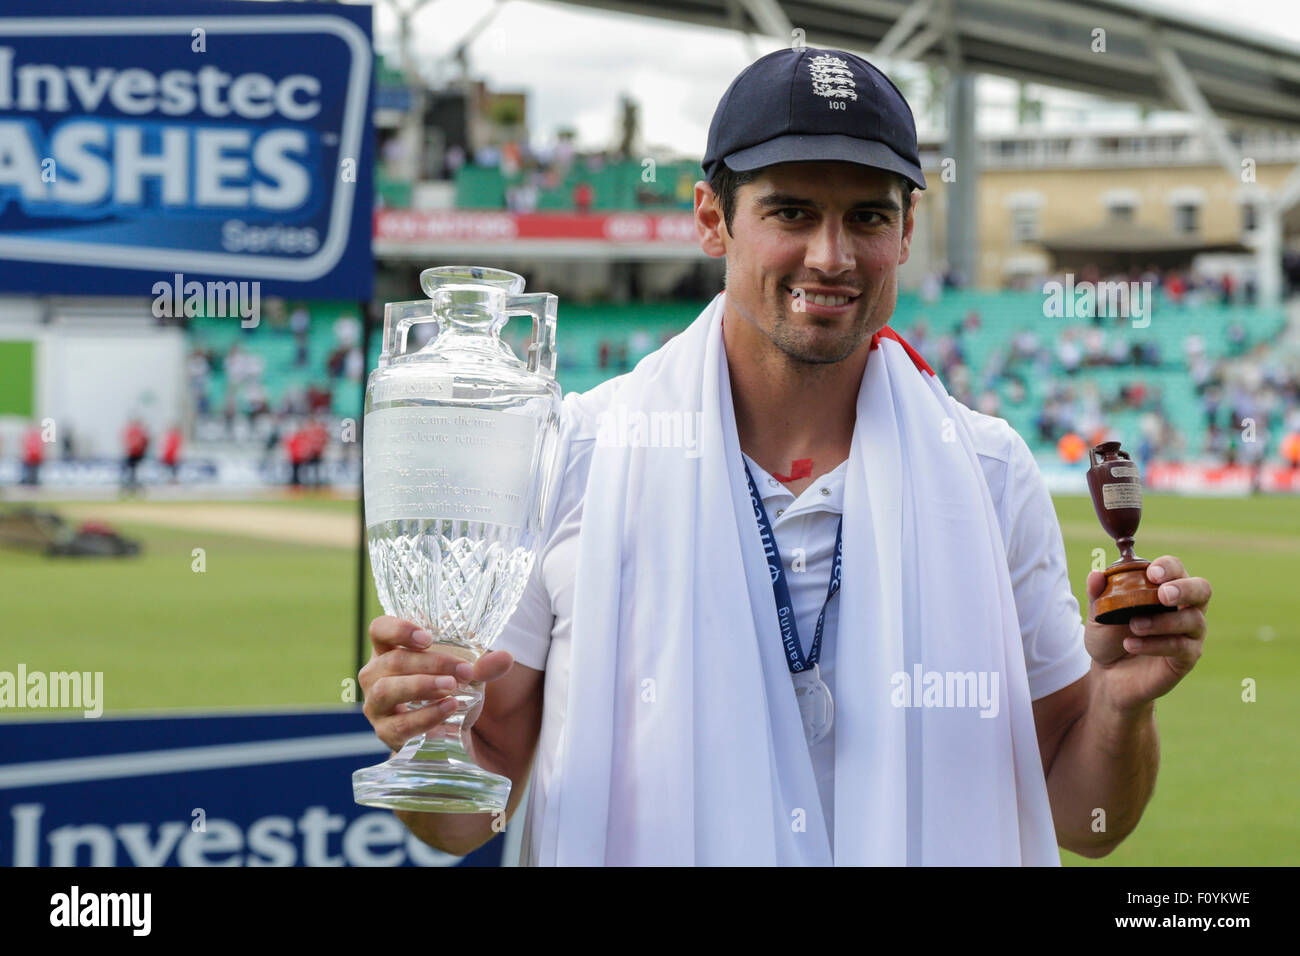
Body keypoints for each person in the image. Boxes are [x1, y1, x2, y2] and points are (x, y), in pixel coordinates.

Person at [359, 47, 1213, 866]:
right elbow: (471, 813)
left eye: (868, 216)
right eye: (792, 211)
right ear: (710, 218)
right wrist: (426, 733)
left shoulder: (988, 472)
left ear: (908, 231)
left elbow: (1085, 818)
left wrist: (1121, 706)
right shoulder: (578, 452)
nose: (831, 256)